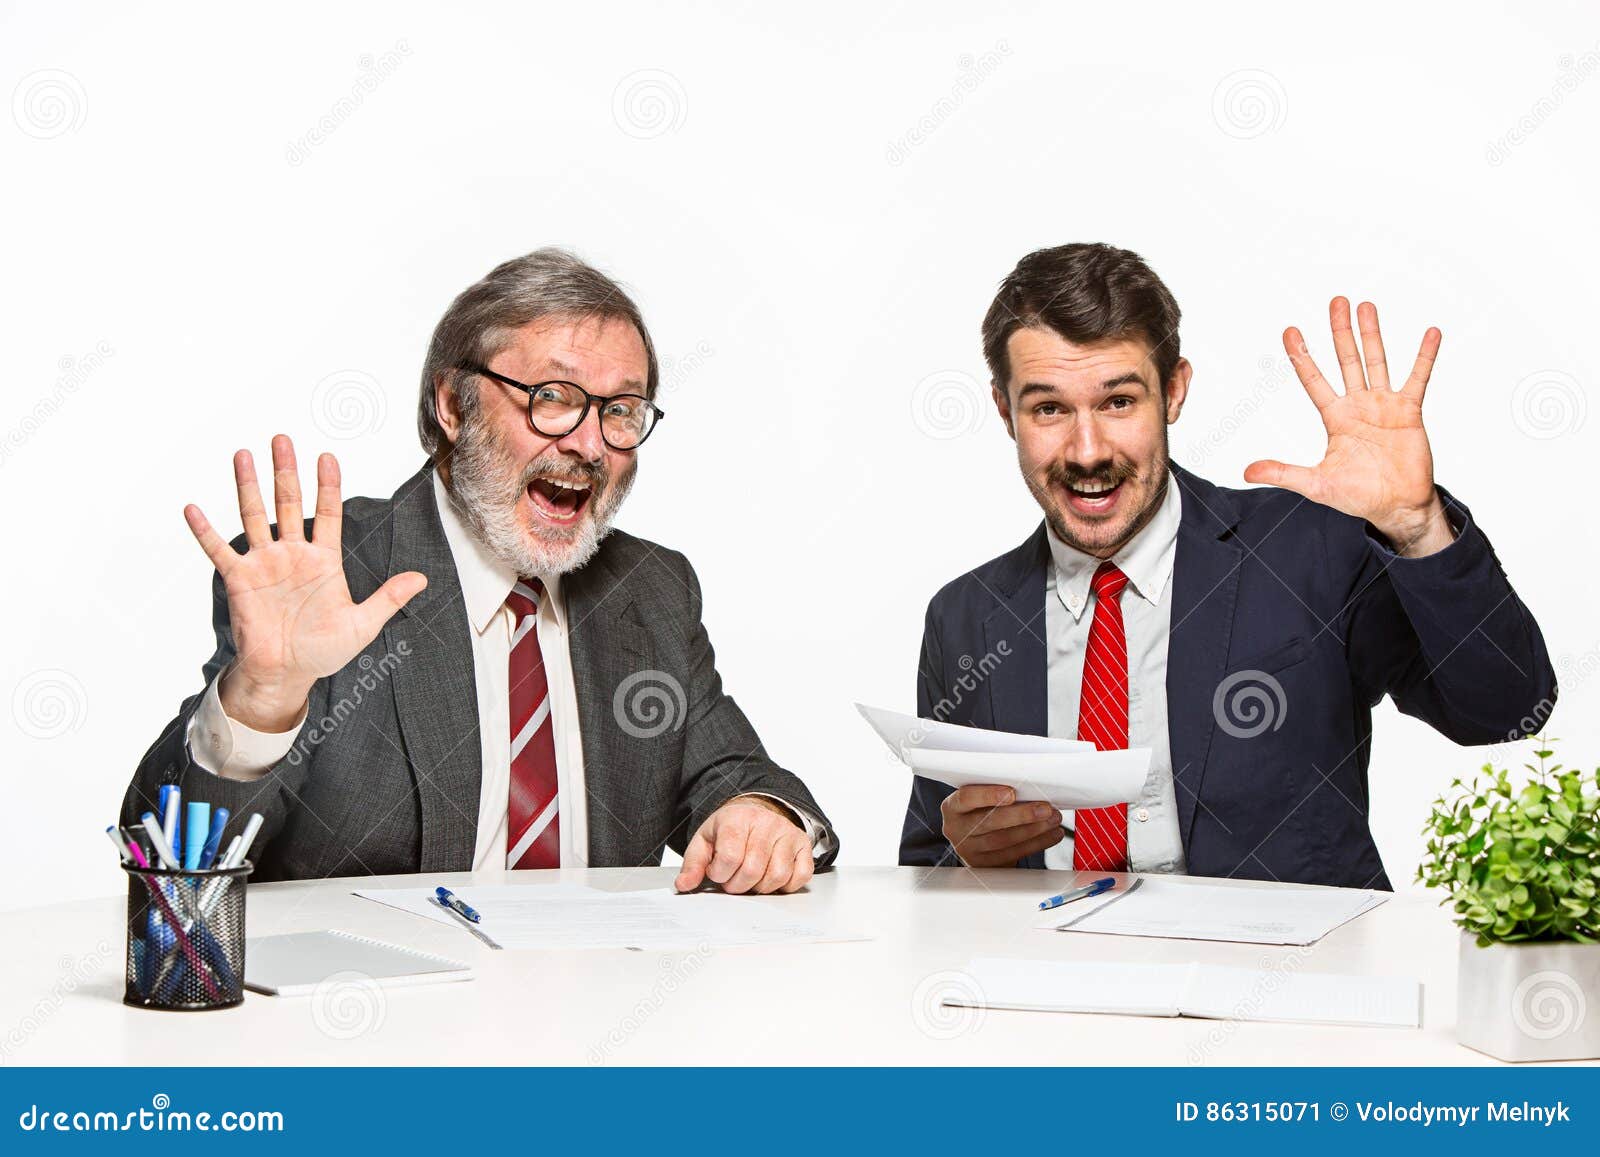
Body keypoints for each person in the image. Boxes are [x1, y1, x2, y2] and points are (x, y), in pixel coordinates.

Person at [124, 248, 834, 893]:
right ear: (452, 404)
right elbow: (171, 852)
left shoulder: (649, 590)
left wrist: (759, 814)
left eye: (621, 411)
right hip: (369, 1022)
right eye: (552, 398)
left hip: (598, 1014)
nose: (589, 443)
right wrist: (261, 699)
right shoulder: (325, 578)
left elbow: (733, 776)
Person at [900, 243, 1555, 888]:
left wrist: (1416, 526)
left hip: (1291, 981)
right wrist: (968, 859)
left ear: (1175, 391)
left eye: (1119, 401)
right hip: (1054, 982)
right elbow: (927, 868)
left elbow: (1503, 709)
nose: (1088, 449)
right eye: (1049, 408)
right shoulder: (965, 616)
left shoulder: (1311, 549)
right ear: (1004, 411)